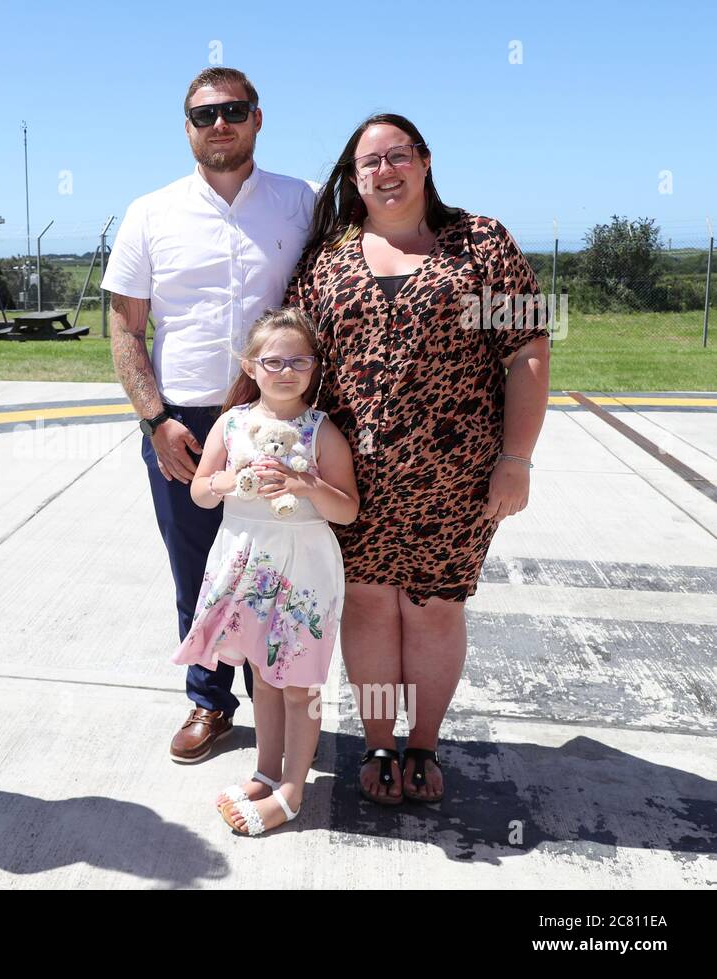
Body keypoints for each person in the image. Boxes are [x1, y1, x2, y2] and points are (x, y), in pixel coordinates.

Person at [284, 112, 551, 805]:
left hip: (457, 480)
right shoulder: (328, 258)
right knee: (369, 607)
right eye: (368, 163)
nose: (384, 171)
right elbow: (290, 357)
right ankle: (378, 744)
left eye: (396, 156)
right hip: (354, 482)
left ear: (425, 161)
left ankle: (425, 745)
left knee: (434, 609)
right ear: (353, 178)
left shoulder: (482, 242)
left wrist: (517, 458)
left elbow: (527, 349)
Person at [103, 67, 317, 763]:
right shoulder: (150, 212)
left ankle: (276, 701)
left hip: (276, 413)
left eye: (233, 110)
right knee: (197, 571)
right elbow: (126, 328)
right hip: (183, 422)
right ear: (187, 129)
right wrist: (154, 419)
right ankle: (208, 701)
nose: (218, 123)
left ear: (258, 118)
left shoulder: (301, 202)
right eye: (203, 115)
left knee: (274, 563)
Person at [172, 308, 358, 835]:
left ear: (315, 367)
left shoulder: (321, 431)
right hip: (246, 562)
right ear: (250, 366)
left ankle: (293, 790)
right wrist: (231, 481)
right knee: (264, 675)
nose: (286, 370)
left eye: (299, 360)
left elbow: (347, 509)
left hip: (304, 568)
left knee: (298, 682)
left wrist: (306, 487)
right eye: (273, 360)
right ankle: (264, 770)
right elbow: (200, 492)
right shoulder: (231, 425)